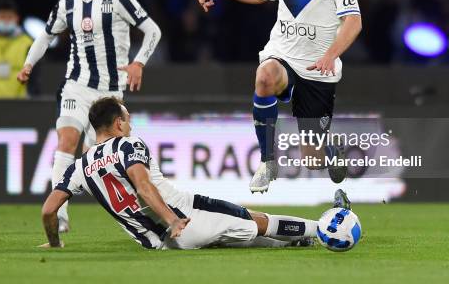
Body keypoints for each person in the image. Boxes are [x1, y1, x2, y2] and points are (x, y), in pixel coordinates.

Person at [195, 0, 363, 193]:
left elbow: (354, 21)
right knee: (265, 76)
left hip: (318, 72)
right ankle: (267, 162)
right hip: (283, 57)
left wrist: (331, 54)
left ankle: (331, 151)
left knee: (312, 160)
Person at [39, 97, 352, 249]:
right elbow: (144, 186)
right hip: (184, 216)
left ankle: (295, 242)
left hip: (155, 244)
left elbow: (49, 210)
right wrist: (172, 219)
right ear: (118, 124)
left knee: (234, 233)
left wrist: (54, 243)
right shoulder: (127, 145)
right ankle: (326, 227)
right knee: (253, 220)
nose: (130, 124)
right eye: (128, 119)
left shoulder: (79, 167)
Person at [17, 0, 162, 232]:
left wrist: (139, 62)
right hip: (77, 85)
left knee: (113, 157)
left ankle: (151, 207)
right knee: (65, 142)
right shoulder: (66, 4)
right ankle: (59, 216)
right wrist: (28, 64)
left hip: (110, 92)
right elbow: (46, 36)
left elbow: (152, 30)